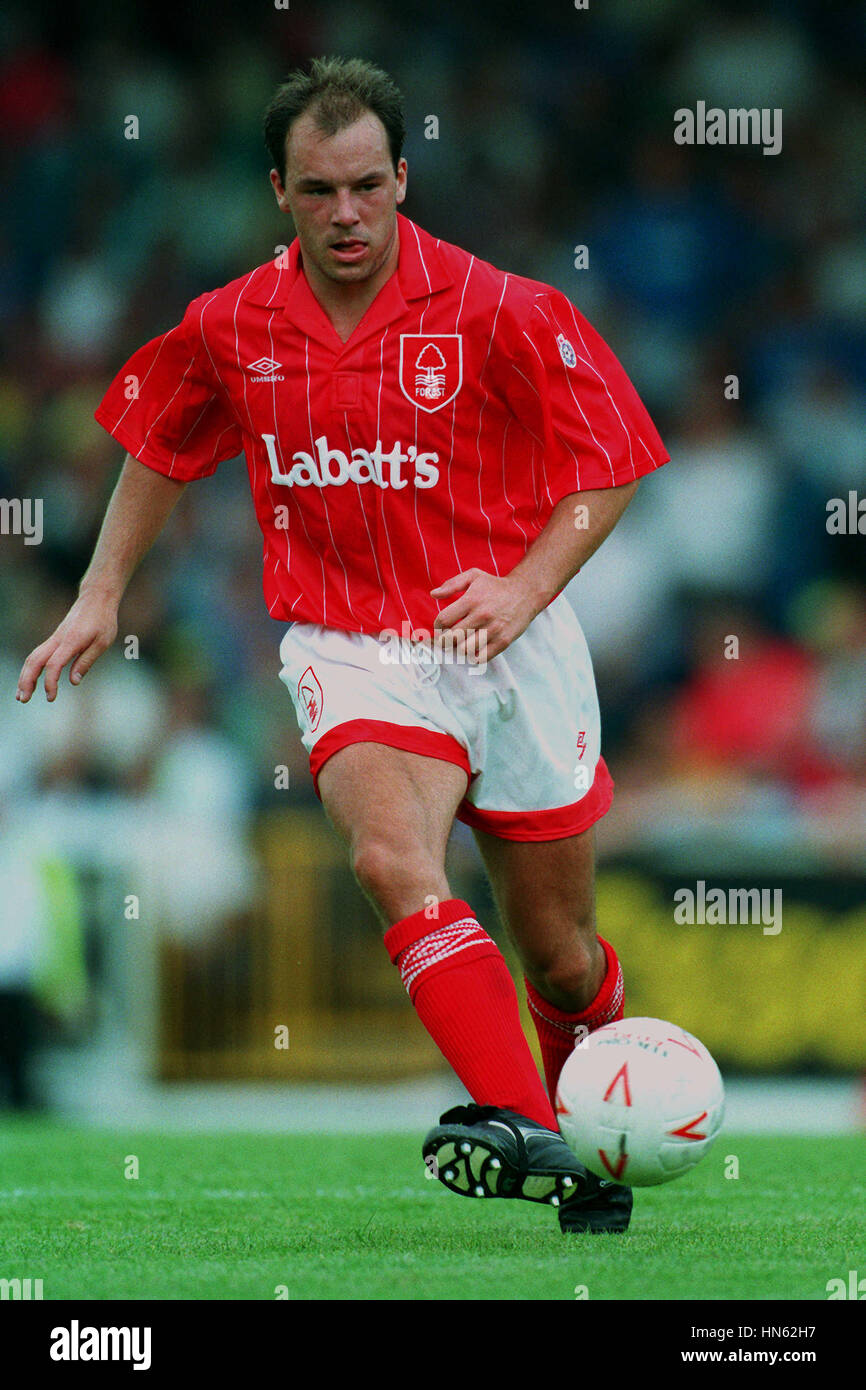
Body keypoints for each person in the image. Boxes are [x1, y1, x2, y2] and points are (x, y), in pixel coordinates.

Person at [18, 56, 669, 1233]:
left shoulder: (501, 306)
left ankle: (589, 1110)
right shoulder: (230, 323)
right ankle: (535, 1134)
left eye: (367, 185)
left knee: (560, 959)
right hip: (350, 642)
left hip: (509, 643)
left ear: (403, 179)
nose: (347, 214)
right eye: (318, 191)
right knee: (389, 862)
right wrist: (100, 593)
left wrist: (525, 586)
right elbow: (161, 440)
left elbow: (612, 457)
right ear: (279, 190)